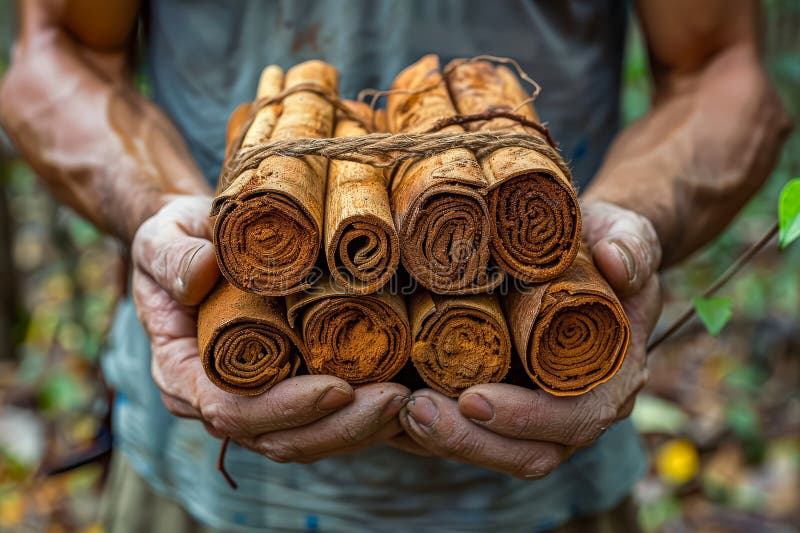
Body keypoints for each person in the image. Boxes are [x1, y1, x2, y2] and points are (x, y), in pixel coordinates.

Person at [0, 1, 790, 531]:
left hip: (554, 482)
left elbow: (721, 68)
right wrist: (157, 215)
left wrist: (634, 227)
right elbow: (56, 51)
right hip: (195, 480)